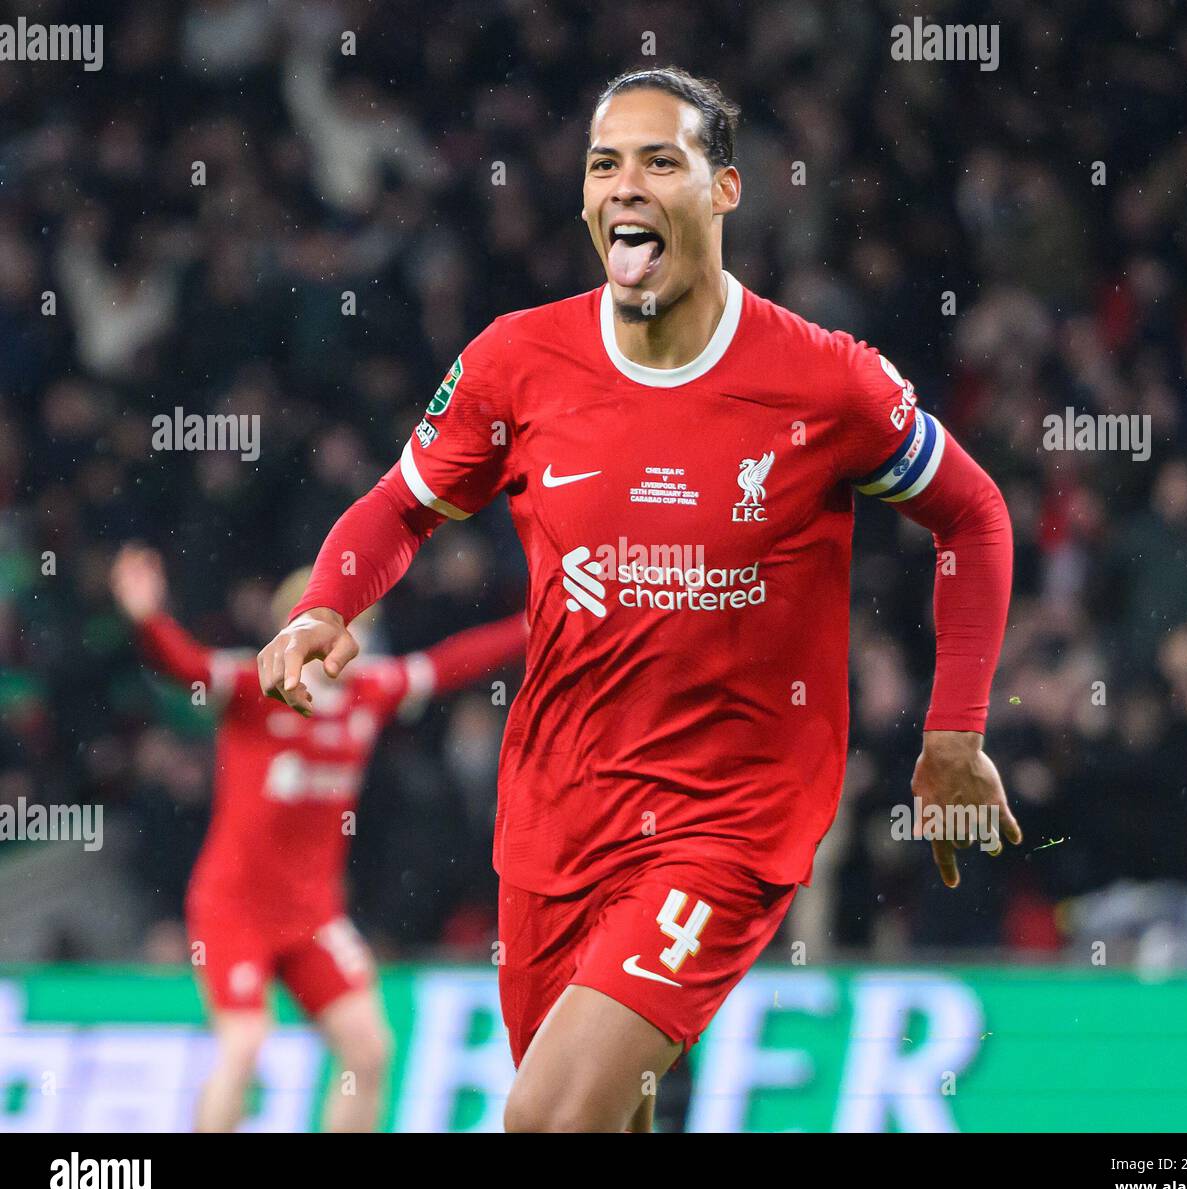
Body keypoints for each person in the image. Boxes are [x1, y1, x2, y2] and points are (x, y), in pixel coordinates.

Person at [257, 66, 1020, 1133]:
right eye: (604, 163)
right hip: (555, 810)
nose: (626, 185)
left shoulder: (823, 383)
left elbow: (974, 516)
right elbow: (399, 509)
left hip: (730, 815)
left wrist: (953, 731)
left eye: (661, 161)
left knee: (545, 1120)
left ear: (724, 191)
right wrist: (325, 607)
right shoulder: (517, 362)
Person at [110, 545, 526, 1131]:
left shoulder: (369, 691)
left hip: (312, 915)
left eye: (360, 624)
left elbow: (455, 662)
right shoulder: (256, 687)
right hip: (236, 906)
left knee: (369, 1051)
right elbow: (184, 667)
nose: (354, 638)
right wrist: (146, 617)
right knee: (245, 1044)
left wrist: (534, 623)